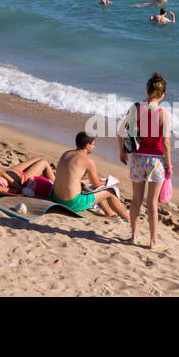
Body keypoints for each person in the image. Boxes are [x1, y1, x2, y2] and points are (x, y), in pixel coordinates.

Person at [119, 73, 172, 250]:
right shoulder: (163, 113)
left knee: (136, 200)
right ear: (163, 94)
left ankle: (133, 236)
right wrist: (169, 164)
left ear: (147, 90)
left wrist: (122, 151)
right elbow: (165, 142)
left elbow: (120, 131)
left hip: (137, 159)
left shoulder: (135, 108)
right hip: (156, 161)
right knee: (152, 203)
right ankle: (153, 241)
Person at [53, 132, 129, 220]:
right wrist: (111, 180)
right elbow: (97, 184)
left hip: (56, 197)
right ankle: (127, 218)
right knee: (110, 191)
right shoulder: (87, 161)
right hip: (71, 203)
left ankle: (110, 213)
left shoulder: (66, 154)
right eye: (93, 144)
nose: (94, 147)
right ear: (87, 146)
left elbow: (72, 178)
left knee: (93, 188)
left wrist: (93, 181)